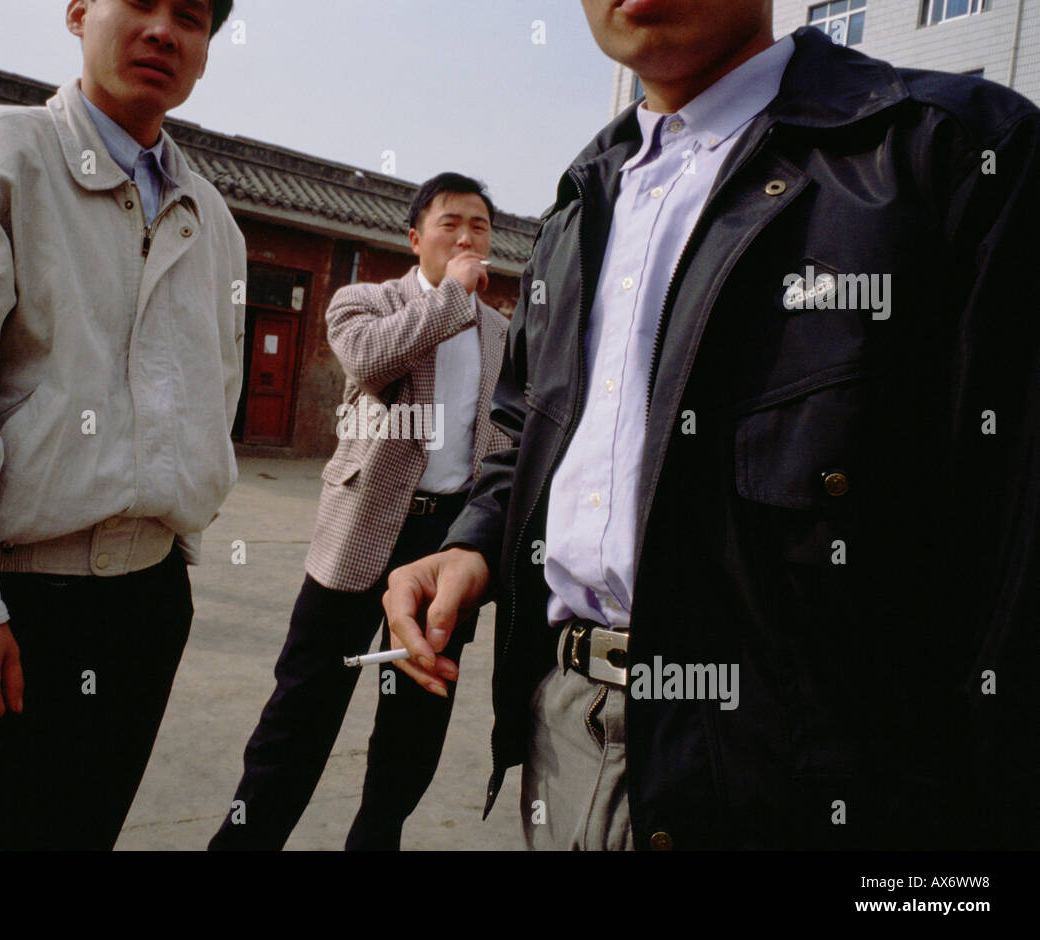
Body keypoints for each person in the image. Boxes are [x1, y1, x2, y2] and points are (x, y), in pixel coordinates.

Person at [384, 0, 1040, 850]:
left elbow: (1014, 576)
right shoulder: (581, 206)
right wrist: (474, 544)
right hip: (564, 736)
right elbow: (526, 429)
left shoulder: (950, 159)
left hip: (811, 783)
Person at [0, 0, 241, 850]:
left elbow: (215, 389)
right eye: (138, 3)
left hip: (148, 605)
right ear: (77, 11)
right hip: (16, 603)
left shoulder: (211, 218)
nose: (162, 31)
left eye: (191, 15)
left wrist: (180, 541)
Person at [209, 173, 510, 851]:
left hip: (445, 541)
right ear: (415, 238)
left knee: (414, 721)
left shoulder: (502, 333)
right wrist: (453, 295)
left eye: (480, 227)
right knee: (302, 709)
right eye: (451, 224)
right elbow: (371, 361)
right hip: (361, 529)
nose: (467, 238)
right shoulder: (365, 302)